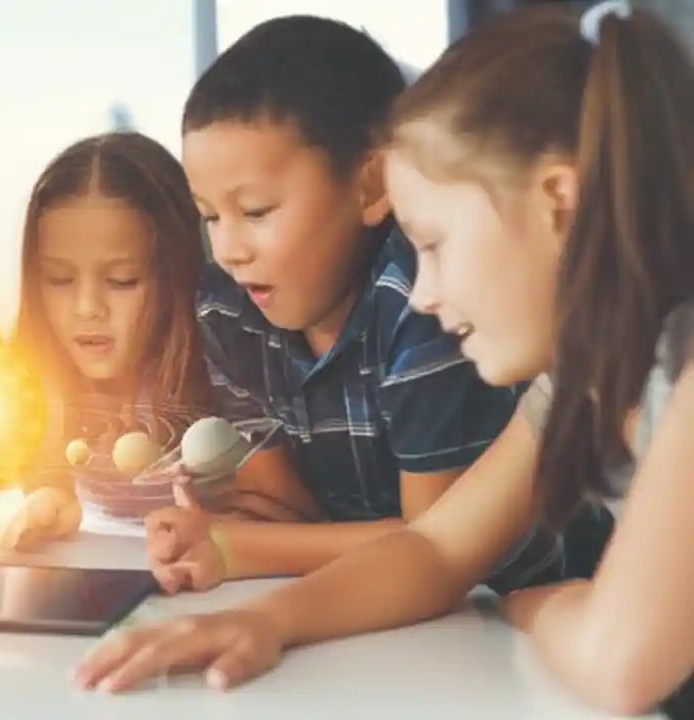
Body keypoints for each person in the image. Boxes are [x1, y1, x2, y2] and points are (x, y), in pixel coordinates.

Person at [77, 5, 692, 716]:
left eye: (431, 245)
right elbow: (434, 551)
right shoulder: (578, 385)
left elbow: (620, 667)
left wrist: (551, 607)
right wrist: (267, 621)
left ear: (558, 203)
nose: (422, 294)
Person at [5, 132, 217, 546]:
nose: (87, 308)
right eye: (60, 279)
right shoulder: (39, 386)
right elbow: (46, 474)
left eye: (122, 281)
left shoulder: (221, 377)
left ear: (175, 273)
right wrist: (51, 498)